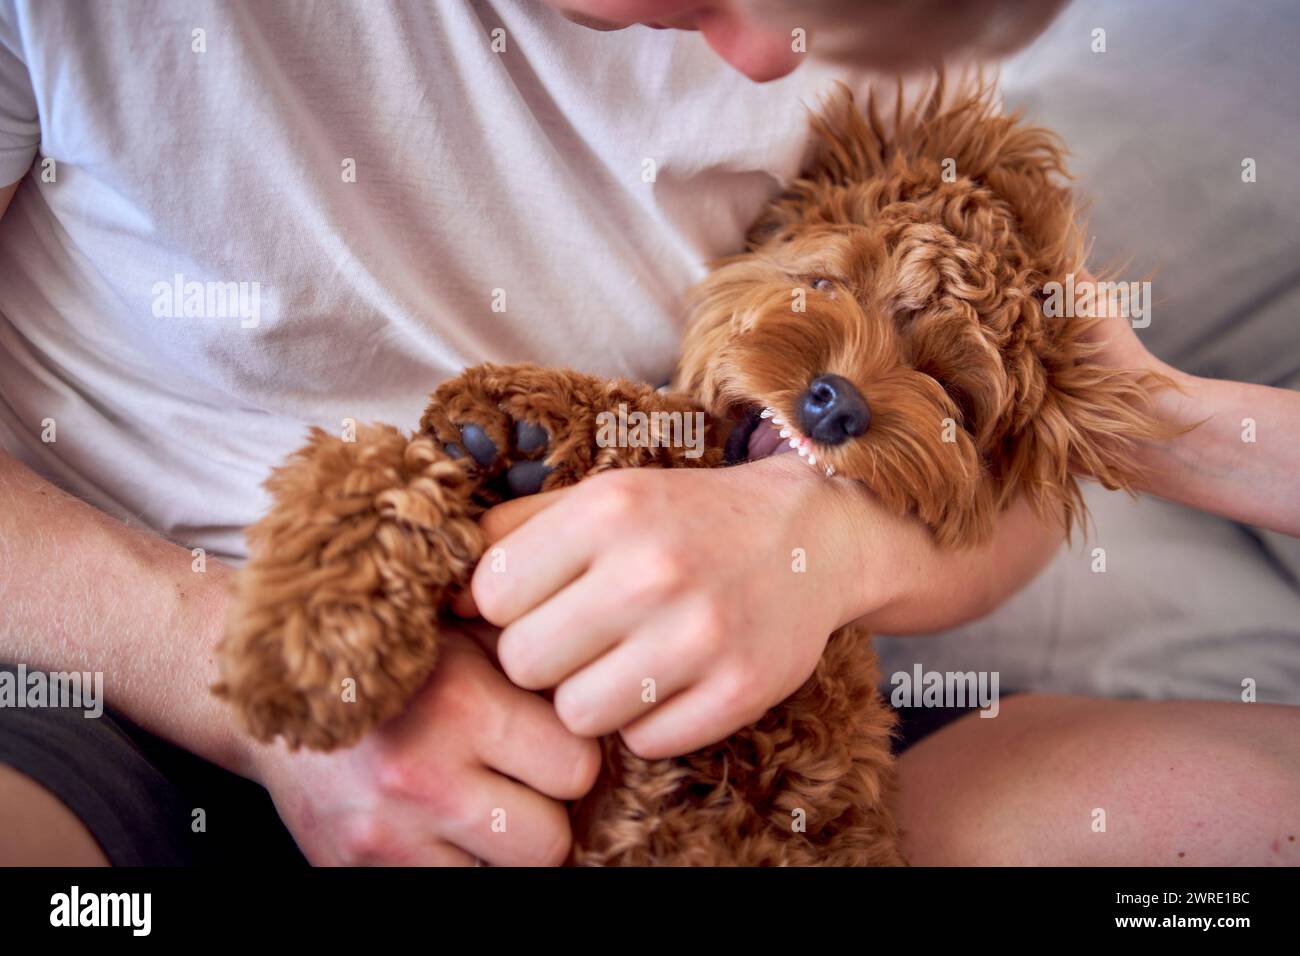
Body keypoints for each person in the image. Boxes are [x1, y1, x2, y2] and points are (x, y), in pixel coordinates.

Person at [0, 0, 1294, 868]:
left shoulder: (871, 31)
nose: (770, 61)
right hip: (117, 669)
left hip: (720, 760)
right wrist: (248, 690)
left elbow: (1017, 466)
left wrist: (818, 549)